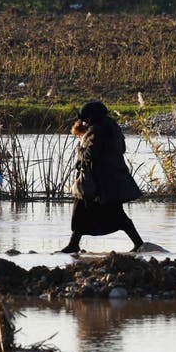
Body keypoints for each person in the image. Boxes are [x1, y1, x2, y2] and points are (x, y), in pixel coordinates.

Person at [61, 100, 145, 254]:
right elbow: (122, 148)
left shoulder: (96, 130)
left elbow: (91, 153)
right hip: (113, 178)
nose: (84, 121)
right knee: (114, 213)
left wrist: (80, 149)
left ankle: (74, 244)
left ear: (91, 117)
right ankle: (139, 243)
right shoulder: (112, 126)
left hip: (100, 180)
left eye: (86, 118)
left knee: (83, 209)